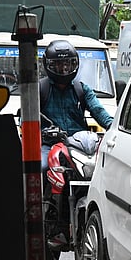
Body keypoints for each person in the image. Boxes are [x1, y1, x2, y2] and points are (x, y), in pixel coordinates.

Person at [39, 40, 113, 171]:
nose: (64, 69)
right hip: (50, 144)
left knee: (105, 169)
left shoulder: (82, 89)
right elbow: (27, 118)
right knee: (42, 167)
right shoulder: (40, 89)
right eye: (58, 65)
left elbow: (98, 110)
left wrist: (112, 127)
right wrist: (44, 132)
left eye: (67, 64)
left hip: (80, 146)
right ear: (48, 65)